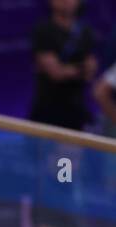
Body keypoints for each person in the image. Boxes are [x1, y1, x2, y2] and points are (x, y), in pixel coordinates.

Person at [29, 0, 98, 131]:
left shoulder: (85, 31)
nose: (67, 1)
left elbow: (90, 72)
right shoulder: (43, 30)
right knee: (49, 150)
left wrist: (70, 69)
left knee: (71, 151)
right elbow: (56, 73)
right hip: (48, 109)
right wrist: (81, 68)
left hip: (76, 109)